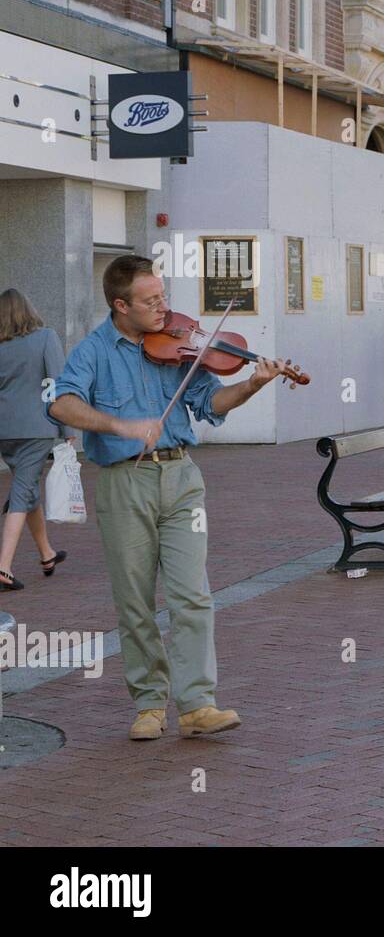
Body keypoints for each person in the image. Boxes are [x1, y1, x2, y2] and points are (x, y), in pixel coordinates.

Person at [47, 255, 293, 740]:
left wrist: (252, 383)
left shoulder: (181, 343)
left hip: (181, 478)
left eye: (163, 296)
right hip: (124, 483)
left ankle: (198, 703)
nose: (164, 308)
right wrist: (120, 425)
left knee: (192, 595)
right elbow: (61, 402)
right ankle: (148, 703)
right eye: (150, 300)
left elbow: (209, 403)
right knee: (134, 600)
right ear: (121, 305)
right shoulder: (94, 350)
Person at [0, 289, 70, 592]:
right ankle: (3, 567)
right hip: (38, 427)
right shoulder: (45, 337)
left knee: (25, 488)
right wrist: (68, 430)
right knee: (22, 491)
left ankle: (47, 554)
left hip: (4, 430)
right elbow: (57, 383)